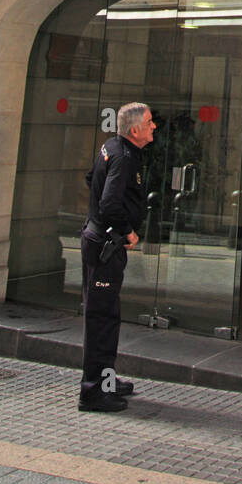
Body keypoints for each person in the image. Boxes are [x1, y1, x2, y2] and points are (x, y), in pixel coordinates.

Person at [79, 102, 155, 411]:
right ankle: (93, 392)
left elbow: (91, 179)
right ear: (134, 130)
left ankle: (106, 380)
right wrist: (127, 231)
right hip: (105, 246)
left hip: (100, 240)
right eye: (149, 122)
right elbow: (109, 202)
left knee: (107, 316)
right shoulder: (123, 157)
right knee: (101, 319)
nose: (154, 127)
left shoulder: (113, 147)